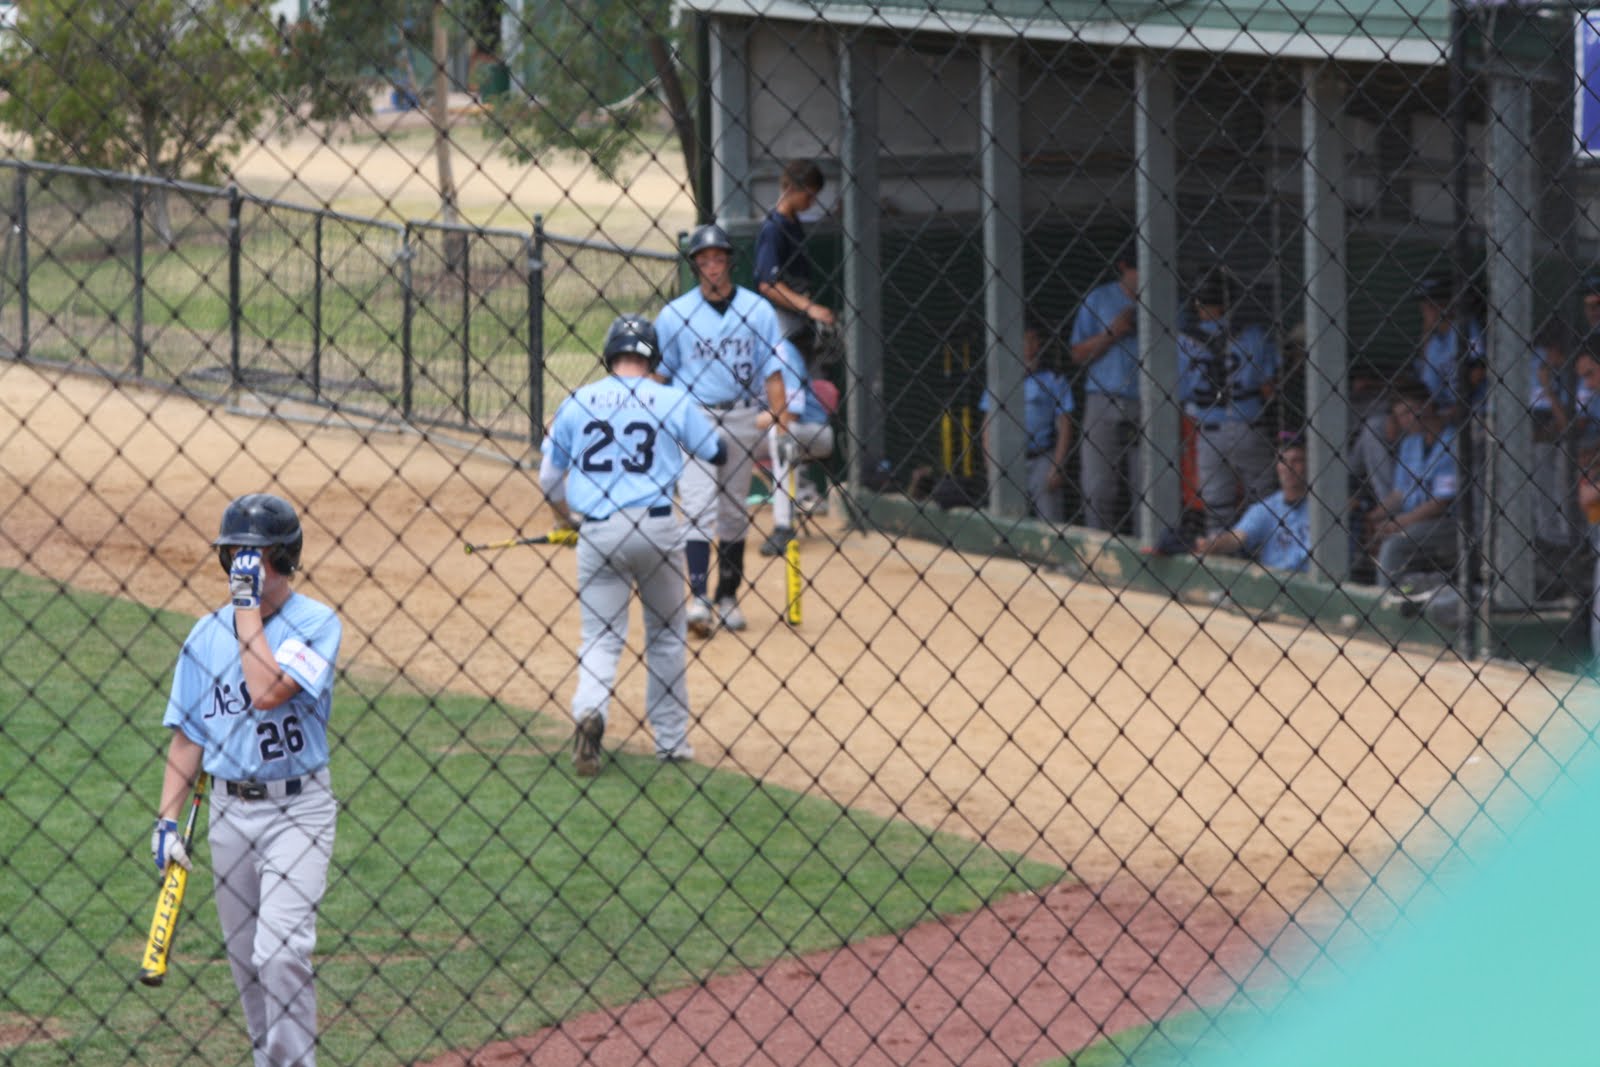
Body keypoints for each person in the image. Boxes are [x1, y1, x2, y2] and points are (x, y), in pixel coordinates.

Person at [153, 493, 342, 1066]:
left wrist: (244, 611)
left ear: (282, 558)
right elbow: (188, 735)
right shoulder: (202, 637)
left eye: (251, 555)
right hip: (230, 816)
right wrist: (165, 821)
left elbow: (266, 692)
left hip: (299, 811)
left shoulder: (316, 624)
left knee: (280, 953)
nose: (240, 565)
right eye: (233, 554)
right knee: (246, 964)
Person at [540, 314, 726, 774]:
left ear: (610, 355)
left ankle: (590, 712)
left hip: (598, 529)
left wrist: (566, 521)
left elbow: (549, 478)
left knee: (600, 638)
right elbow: (715, 451)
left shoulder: (578, 400)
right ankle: (670, 741)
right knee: (665, 635)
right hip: (658, 529)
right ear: (651, 357)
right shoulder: (670, 398)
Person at [655, 222, 792, 637]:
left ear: (729, 262)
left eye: (718, 259)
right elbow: (659, 377)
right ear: (695, 265)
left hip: (741, 416)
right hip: (693, 416)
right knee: (697, 508)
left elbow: (772, 371)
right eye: (704, 260)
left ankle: (727, 594)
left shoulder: (757, 310)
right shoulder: (674, 315)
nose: (712, 266)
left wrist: (781, 420)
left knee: (734, 514)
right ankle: (698, 599)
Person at [1177, 267, 1280, 536]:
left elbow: (1181, 392)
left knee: (1217, 510)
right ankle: (1265, 558)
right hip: (1249, 427)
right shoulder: (1253, 334)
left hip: (1209, 432)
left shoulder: (1183, 342)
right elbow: (1269, 390)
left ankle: (1219, 560)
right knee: (1264, 503)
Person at [1069, 245, 1141, 532]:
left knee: (1147, 488)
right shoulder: (1099, 298)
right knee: (1098, 487)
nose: (1143, 276)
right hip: (1103, 399)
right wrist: (1112, 332)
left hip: (1148, 403)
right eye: (1138, 269)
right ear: (1124, 267)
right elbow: (1075, 354)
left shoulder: (1163, 298)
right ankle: (1098, 553)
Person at [1365, 383, 1460, 588]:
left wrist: (1398, 524)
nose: (1406, 420)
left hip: (1450, 524)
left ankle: (1385, 605)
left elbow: (1440, 503)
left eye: (1410, 411)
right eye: (1400, 415)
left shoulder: (1454, 441)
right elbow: (1400, 494)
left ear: (1428, 406)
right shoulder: (1411, 443)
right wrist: (1373, 517)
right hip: (1416, 522)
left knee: (1393, 546)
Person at [979, 320, 1074, 523]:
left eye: (1033, 340)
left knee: (1051, 522)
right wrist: (990, 464)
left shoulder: (1054, 378)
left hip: (1042, 458)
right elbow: (988, 425)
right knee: (1006, 520)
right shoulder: (1000, 378)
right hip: (1008, 461)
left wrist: (1057, 465)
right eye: (1023, 342)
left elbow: (1065, 425)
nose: (1029, 347)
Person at [759, 332, 838, 557]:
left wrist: (743, 422)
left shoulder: (782, 352)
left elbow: (788, 415)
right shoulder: (738, 353)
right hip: (764, 429)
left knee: (779, 432)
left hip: (813, 432)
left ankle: (783, 526)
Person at [1194, 433, 1312, 573]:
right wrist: (1214, 545)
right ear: (1277, 466)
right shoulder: (1268, 508)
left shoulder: (1320, 506)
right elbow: (1237, 537)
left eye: (1296, 461)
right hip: (1275, 583)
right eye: (1283, 461)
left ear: (1308, 465)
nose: (1289, 467)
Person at [754, 159, 835, 351]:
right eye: (808, 196)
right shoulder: (774, 227)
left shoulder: (793, 221)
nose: (811, 202)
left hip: (796, 317)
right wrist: (809, 307)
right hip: (780, 320)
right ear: (790, 189)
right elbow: (768, 285)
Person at [1413, 272, 1484, 422]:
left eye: (1434, 303)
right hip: (1444, 412)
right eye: (1425, 306)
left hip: (1477, 409)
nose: (1429, 310)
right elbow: (1427, 384)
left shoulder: (1467, 327)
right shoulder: (1433, 344)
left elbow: (1479, 370)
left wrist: (1457, 407)